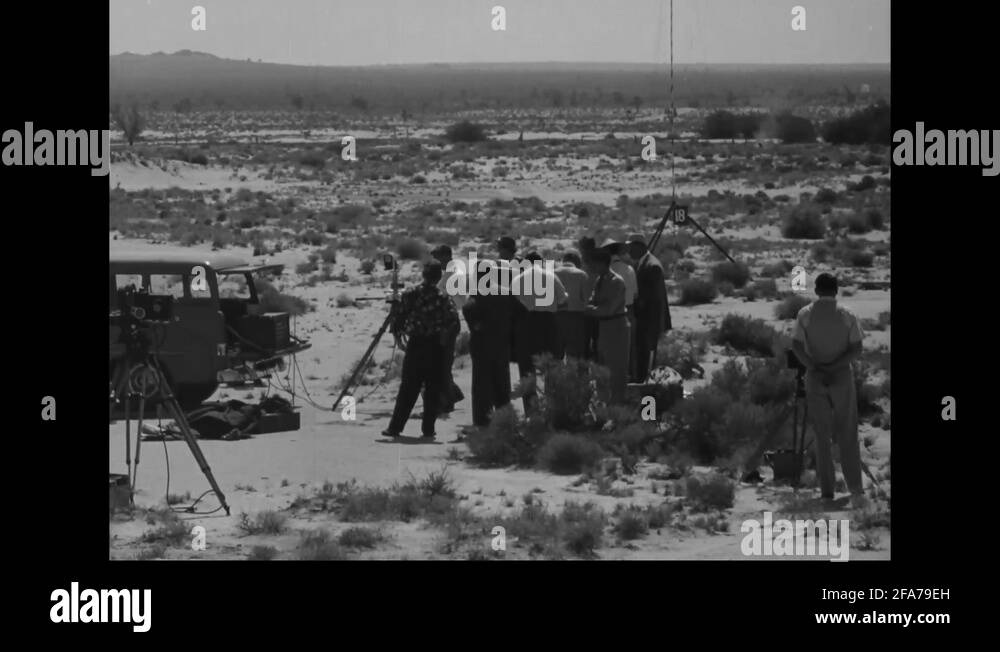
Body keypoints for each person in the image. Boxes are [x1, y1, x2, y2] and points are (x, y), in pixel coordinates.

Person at [791, 273, 865, 501]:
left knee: (822, 435)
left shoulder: (805, 315)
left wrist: (814, 367)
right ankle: (855, 488)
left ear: (816, 290)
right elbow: (856, 348)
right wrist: (835, 366)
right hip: (841, 376)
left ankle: (827, 491)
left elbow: (796, 345)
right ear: (836, 290)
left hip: (815, 376)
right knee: (847, 432)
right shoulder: (847, 315)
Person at [381, 261, 460, 441]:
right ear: (438, 277)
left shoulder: (411, 294)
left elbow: (399, 316)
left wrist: (399, 336)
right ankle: (428, 429)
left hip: (416, 345)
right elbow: (453, 322)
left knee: (408, 388)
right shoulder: (443, 297)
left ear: (424, 275)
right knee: (432, 389)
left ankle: (395, 428)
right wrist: (445, 342)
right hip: (435, 347)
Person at [461, 259, 515, 432]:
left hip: (482, 344)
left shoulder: (477, 294)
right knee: (502, 383)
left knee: (481, 385)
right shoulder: (506, 293)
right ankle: (504, 421)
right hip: (501, 343)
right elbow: (519, 313)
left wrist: (476, 324)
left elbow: (468, 310)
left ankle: (482, 423)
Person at [511, 251, 567, 411]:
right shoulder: (551, 277)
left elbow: (512, 304)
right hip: (548, 324)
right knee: (551, 367)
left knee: (527, 370)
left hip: (526, 324)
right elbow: (563, 300)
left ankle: (531, 411)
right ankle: (553, 408)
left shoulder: (518, 279)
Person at [586, 248, 630, 404]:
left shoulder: (616, 281)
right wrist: (593, 308)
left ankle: (617, 408)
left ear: (601, 263)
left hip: (616, 327)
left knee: (617, 370)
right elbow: (593, 303)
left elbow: (608, 309)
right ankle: (604, 407)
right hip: (603, 329)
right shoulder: (600, 280)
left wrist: (591, 309)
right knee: (602, 369)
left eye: (593, 264)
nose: (590, 267)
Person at [626, 233, 671, 382]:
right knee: (642, 357)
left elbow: (654, 300)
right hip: (645, 322)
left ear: (639, 247)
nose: (629, 252)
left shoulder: (652, 267)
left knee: (648, 358)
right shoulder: (642, 264)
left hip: (649, 323)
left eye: (631, 248)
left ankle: (647, 388)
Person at [430, 244, 466, 413]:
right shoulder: (451, 271)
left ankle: (447, 398)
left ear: (445, 256)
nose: (437, 261)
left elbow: (452, 297)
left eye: (438, 257)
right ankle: (451, 393)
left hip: (448, 322)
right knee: (441, 362)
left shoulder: (454, 273)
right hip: (446, 320)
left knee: (443, 362)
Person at [601, 237, 638, 378]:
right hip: (628, 313)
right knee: (629, 351)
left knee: (609, 352)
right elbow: (634, 294)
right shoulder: (629, 269)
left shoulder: (605, 272)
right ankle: (630, 382)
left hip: (609, 316)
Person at [553, 251, 591, 360]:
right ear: (578, 263)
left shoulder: (552, 273)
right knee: (574, 355)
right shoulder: (581, 274)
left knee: (555, 355)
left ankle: (553, 377)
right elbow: (586, 300)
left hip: (556, 317)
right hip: (576, 319)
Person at [578, 236, 599, 360]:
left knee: (585, 343)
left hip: (585, 308)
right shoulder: (599, 261)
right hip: (596, 306)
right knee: (596, 341)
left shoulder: (584, 263)